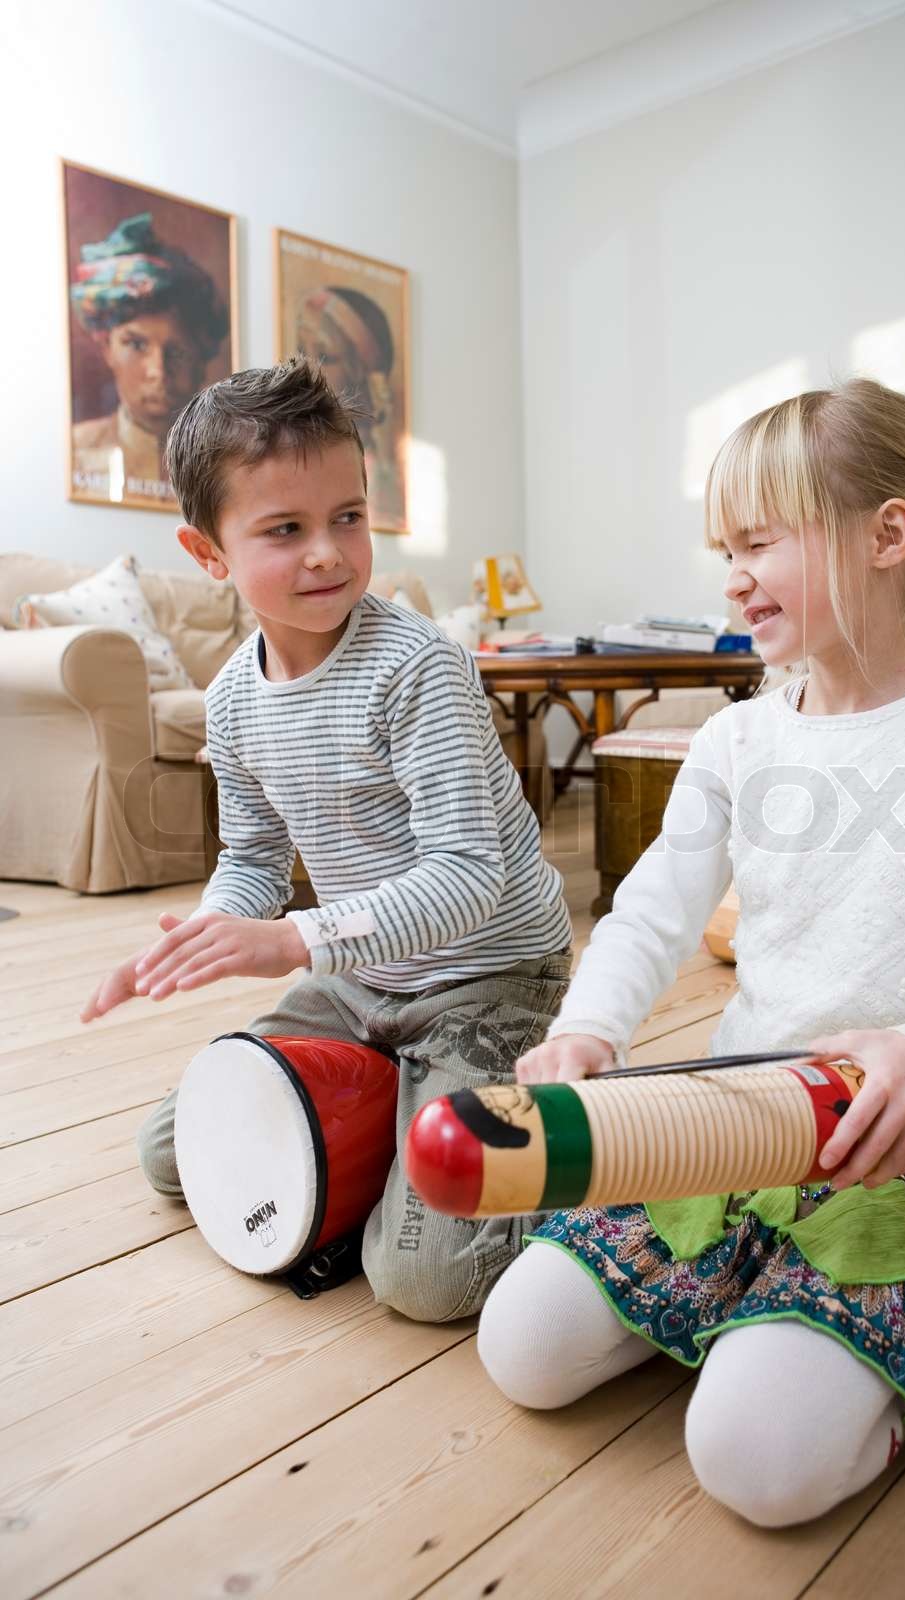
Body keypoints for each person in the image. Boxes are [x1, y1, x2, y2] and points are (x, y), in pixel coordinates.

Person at [477, 378, 905, 1526]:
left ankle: (873, 1371)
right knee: (523, 1349)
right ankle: (756, 1314)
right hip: (727, 1135)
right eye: (725, 548)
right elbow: (648, 915)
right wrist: (584, 1028)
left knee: (751, 1462)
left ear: (885, 535)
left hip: (897, 1170)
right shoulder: (736, 736)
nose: (733, 574)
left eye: (758, 541)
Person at [81, 355, 572, 1324]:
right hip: (361, 982)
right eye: (285, 529)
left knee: (419, 1284)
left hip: (489, 972)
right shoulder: (231, 699)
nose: (327, 552)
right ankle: (405, 1106)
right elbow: (254, 860)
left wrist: (293, 940)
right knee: (172, 1156)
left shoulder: (417, 665)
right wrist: (200, 935)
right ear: (208, 552)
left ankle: (557, 1114)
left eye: (347, 516)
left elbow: (470, 874)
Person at [70, 212, 228, 502]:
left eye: (177, 351)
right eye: (137, 345)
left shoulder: (231, 465)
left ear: (202, 358)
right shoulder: (75, 451)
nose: (158, 371)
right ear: (107, 349)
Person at [296, 286, 404, 525]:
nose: (307, 371)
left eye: (325, 356)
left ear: (359, 371)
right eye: (302, 352)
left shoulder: (374, 474)